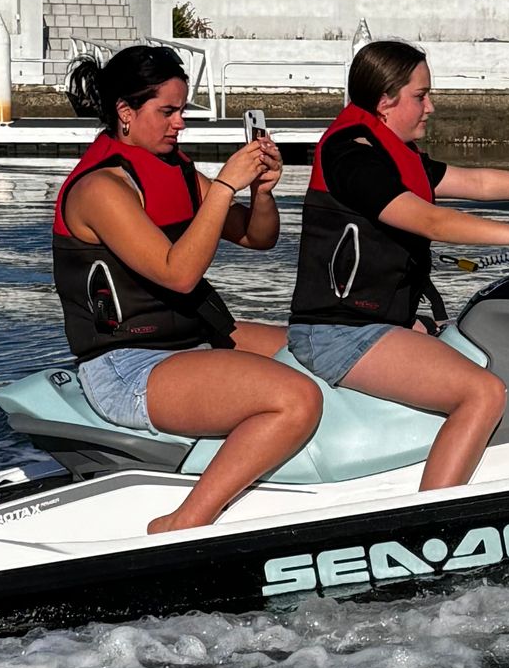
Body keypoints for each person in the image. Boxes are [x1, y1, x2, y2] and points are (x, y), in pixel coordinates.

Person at [287, 39, 509, 490]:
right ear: (385, 101)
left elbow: (477, 181)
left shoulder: (396, 153)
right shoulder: (352, 154)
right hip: (338, 332)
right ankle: (433, 521)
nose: (430, 107)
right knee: (483, 392)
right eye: (420, 96)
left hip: (377, 322)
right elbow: (428, 219)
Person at [55, 44, 320, 535]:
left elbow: (258, 238)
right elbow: (179, 274)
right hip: (127, 365)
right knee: (296, 398)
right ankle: (183, 523)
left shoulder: (175, 169)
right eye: (168, 111)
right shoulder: (101, 189)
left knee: (320, 349)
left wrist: (260, 192)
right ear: (125, 113)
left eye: (182, 110)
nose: (180, 123)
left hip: (189, 336)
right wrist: (222, 187)